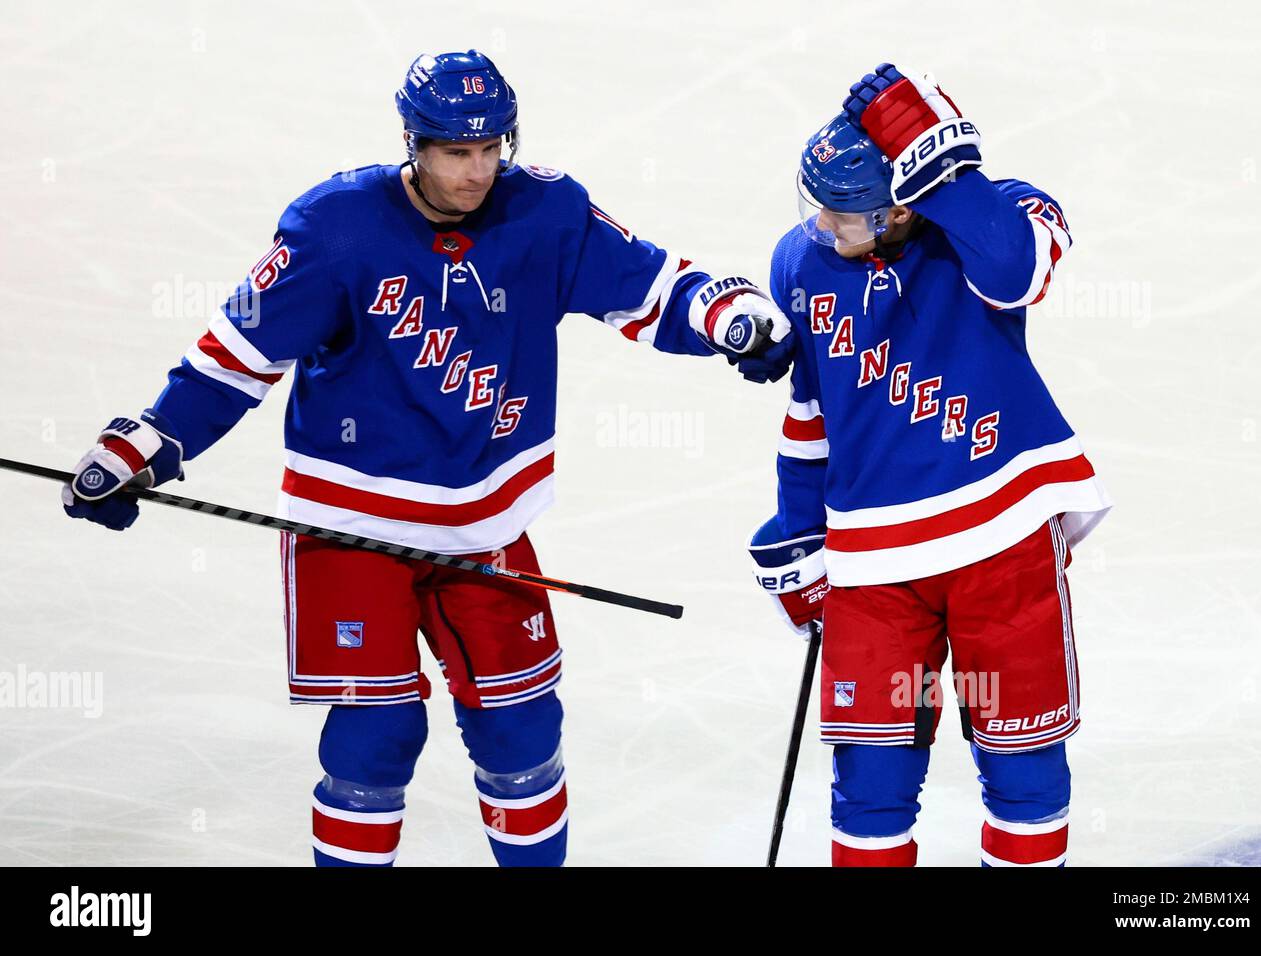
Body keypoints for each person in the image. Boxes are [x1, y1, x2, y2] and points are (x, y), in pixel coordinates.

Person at [61, 50, 790, 867]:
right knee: (378, 734)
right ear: (414, 143)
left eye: (490, 150)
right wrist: (147, 444)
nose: (477, 172)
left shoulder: (543, 214)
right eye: (455, 153)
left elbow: (654, 288)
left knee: (521, 730)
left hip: (484, 526)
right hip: (351, 527)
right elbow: (235, 360)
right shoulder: (335, 228)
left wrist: (730, 317)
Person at [747, 64, 1111, 866]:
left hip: (1001, 543)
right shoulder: (802, 264)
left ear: (904, 204)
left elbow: (1018, 268)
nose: (823, 228)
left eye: (843, 214)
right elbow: (813, 411)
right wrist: (797, 531)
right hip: (873, 566)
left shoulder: (994, 219)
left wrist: (930, 144)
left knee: (1026, 774)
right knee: (870, 784)